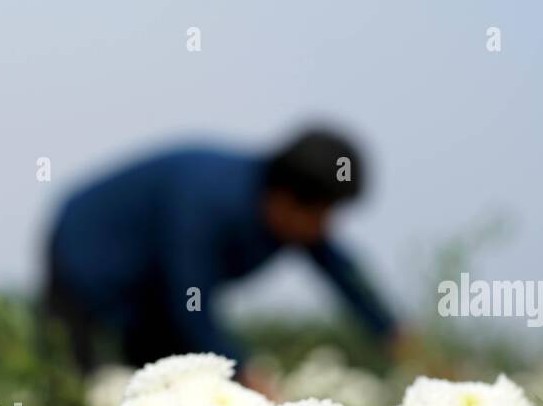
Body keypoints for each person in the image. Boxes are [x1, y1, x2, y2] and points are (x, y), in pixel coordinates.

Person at [46, 129, 401, 382]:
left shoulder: (290, 213)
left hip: (153, 292)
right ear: (286, 199)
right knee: (79, 389)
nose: (324, 229)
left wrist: (395, 334)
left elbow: (343, 273)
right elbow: (189, 300)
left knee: (170, 386)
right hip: (87, 256)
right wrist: (242, 370)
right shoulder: (208, 201)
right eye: (322, 214)